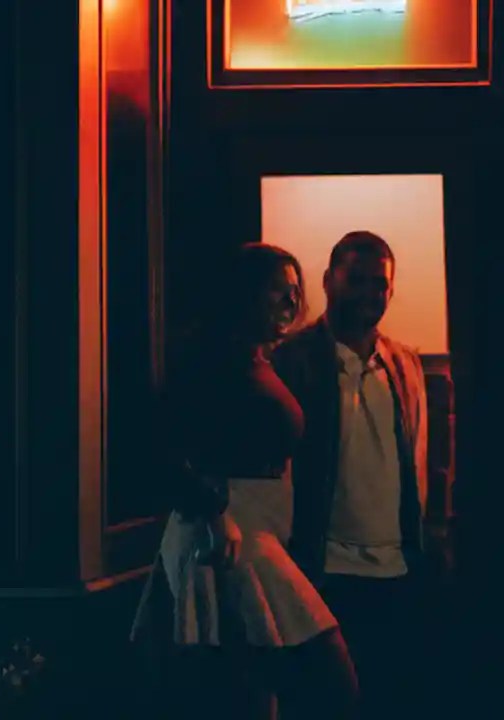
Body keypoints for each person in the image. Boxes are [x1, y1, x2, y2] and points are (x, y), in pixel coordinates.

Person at [131, 243, 358, 720]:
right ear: (244, 295)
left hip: (256, 532)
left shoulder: (260, 359)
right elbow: (160, 445)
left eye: (296, 292)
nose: (291, 303)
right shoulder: (210, 359)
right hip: (228, 534)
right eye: (278, 290)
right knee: (323, 679)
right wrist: (214, 513)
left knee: (251, 689)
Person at [273, 231, 431, 719]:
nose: (368, 293)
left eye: (379, 284)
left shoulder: (404, 363)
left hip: (398, 569)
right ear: (328, 281)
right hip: (323, 568)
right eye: (356, 280)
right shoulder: (291, 359)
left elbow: (422, 460)